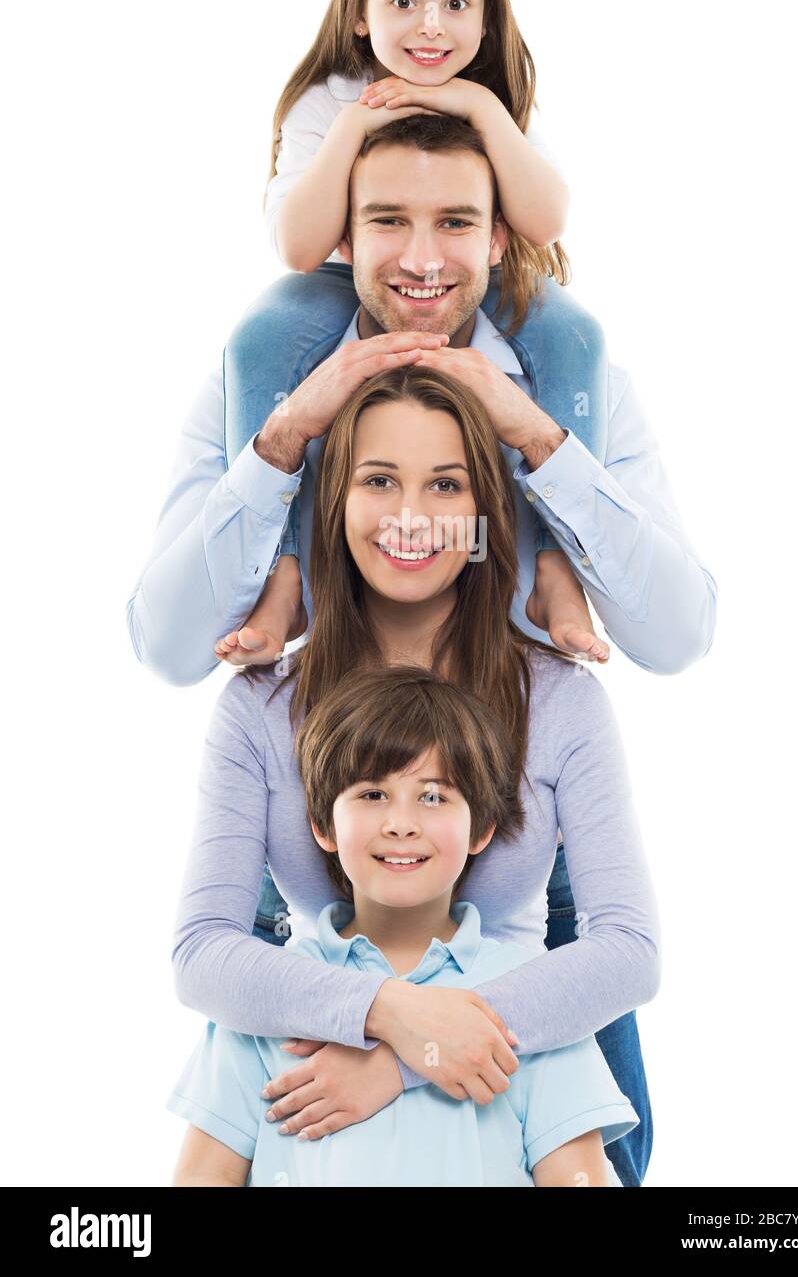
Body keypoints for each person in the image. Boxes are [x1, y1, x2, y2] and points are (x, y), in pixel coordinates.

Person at [171, 358, 661, 1185]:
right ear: (335, 504)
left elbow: (629, 952)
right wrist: (386, 1015)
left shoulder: (560, 700)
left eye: (445, 486)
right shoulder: (258, 707)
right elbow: (203, 951)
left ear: (482, 512)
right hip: (318, 1041)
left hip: (521, 1059)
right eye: (378, 480)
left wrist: (406, 1058)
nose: (411, 516)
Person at [126, 112, 716, 686]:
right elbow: (169, 652)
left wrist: (543, 443)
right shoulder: (254, 396)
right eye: (388, 221)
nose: (422, 261)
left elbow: (676, 639)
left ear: (497, 241)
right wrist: (281, 443)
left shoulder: (587, 393)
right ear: (345, 241)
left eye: (456, 223)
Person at [223, 0, 614, 664]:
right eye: (404, 1)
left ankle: (555, 563)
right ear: (361, 13)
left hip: (473, 273)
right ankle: (284, 572)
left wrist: (478, 108)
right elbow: (302, 248)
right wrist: (354, 129)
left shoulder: (490, 97)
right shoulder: (327, 101)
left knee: (575, 332)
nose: (430, 25)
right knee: (262, 334)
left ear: (486, 17)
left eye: (455, 4)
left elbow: (545, 221)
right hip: (356, 279)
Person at [167, 665, 640, 1187]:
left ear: (481, 828)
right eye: (372, 794)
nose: (401, 822)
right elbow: (203, 1176)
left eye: (433, 796)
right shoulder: (265, 1000)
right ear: (323, 825)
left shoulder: (537, 998)